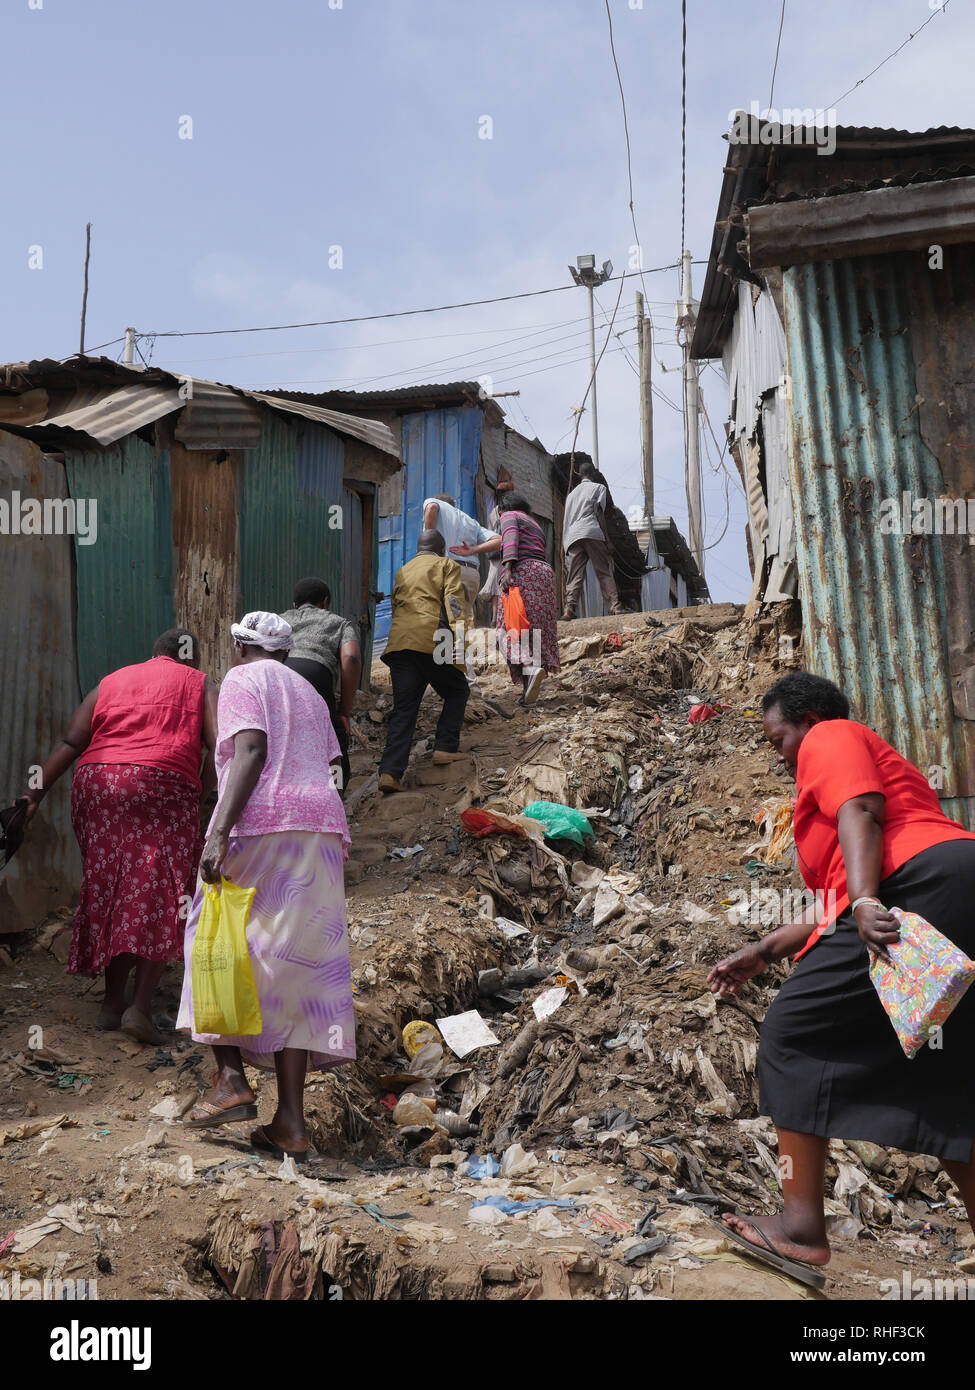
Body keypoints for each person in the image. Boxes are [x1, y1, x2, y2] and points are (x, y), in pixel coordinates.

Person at [707, 671, 975, 1287]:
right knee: (945, 1076)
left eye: (779, 741)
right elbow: (828, 899)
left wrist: (863, 902)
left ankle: (800, 1230)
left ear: (806, 721)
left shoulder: (832, 736)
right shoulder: (849, 800)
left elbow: (862, 810)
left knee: (795, 1031)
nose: (781, 758)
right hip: (950, 886)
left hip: (920, 888)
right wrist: (765, 949)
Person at [179, 611, 354, 1160]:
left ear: (240, 646)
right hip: (321, 827)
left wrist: (219, 831)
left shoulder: (241, 679)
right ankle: (291, 1125)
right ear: (285, 650)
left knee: (213, 938)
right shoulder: (307, 690)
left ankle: (230, 1078)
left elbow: (251, 750)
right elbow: (331, 764)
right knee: (297, 965)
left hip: (262, 824)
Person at [20, 629, 218, 1044]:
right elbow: (220, 747)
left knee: (116, 886)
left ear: (153, 654)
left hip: (99, 784)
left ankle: (111, 1004)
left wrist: (31, 795)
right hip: (161, 785)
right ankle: (139, 1009)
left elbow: (71, 741)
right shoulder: (199, 683)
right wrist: (206, 796)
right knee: (162, 893)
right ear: (191, 660)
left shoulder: (111, 681)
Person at [377, 530, 470, 794]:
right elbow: (454, 603)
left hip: (399, 643)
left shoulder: (403, 570)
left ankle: (390, 773)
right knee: (457, 690)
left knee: (404, 709)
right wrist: (460, 642)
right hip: (433, 639)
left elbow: (396, 606)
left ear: (419, 549)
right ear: (442, 550)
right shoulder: (446, 564)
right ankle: (445, 748)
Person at [279, 577, 361, 793]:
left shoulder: (280, 620)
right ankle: (335, 800)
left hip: (278, 677)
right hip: (316, 676)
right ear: (325, 602)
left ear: (294, 605)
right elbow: (351, 658)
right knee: (334, 746)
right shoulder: (339, 623)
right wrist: (343, 711)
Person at [487, 491, 560, 706]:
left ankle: (529, 668)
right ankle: (529, 688)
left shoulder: (509, 516)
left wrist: (508, 568)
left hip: (522, 573)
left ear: (502, 508)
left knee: (510, 628)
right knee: (534, 630)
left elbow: (510, 539)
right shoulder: (535, 523)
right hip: (544, 575)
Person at [560, 459, 625, 620]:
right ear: (593, 474)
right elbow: (599, 513)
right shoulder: (599, 488)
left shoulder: (571, 495)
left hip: (573, 535)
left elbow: (566, 519)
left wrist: (565, 542)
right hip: (591, 531)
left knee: (574, 575)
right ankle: (615, 607)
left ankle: (568, 610)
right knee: (603, 571)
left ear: (580, 475)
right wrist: (607, 539)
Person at [422, 493, 499, 625]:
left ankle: (445, 645)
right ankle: (463, 645)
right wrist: (473, 550)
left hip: (448, 569)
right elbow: (499, 540)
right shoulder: (471, 522)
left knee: (441, 618)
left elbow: (431, 508)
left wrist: (429, 546)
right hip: (471, 574)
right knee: (464, 620)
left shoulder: (434, 503)